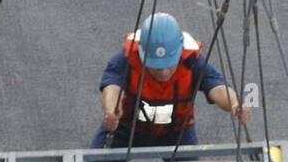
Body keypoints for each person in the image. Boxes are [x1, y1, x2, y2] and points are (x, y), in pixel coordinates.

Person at [89, 11, 250, 150]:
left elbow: (217, 87)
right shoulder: (125, 59)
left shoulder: (193, 62)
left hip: (177, 132)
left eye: (169, 65)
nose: (164, 72)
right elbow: (112, 86)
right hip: (127, 128)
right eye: (157, 67)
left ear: (180, 52)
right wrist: (111, 111)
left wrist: (234, 104)